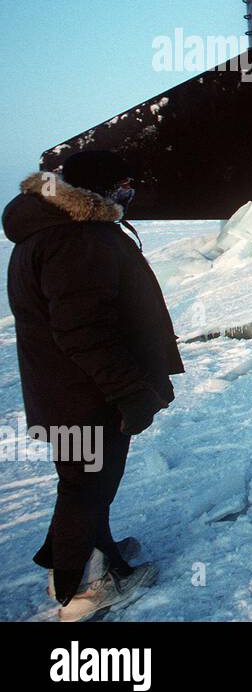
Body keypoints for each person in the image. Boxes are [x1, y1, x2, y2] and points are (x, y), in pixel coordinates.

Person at [3, 149, 179, 620]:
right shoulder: (77, 239)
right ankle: (84, 588)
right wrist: (130, 392)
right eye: (122, 187)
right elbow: (85, 332)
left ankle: (86, 554)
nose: (129, 196)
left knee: (84, 484)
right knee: (87, 486)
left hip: (65, 392)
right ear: (96, 191)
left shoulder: (46, 230)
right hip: (89, 394)